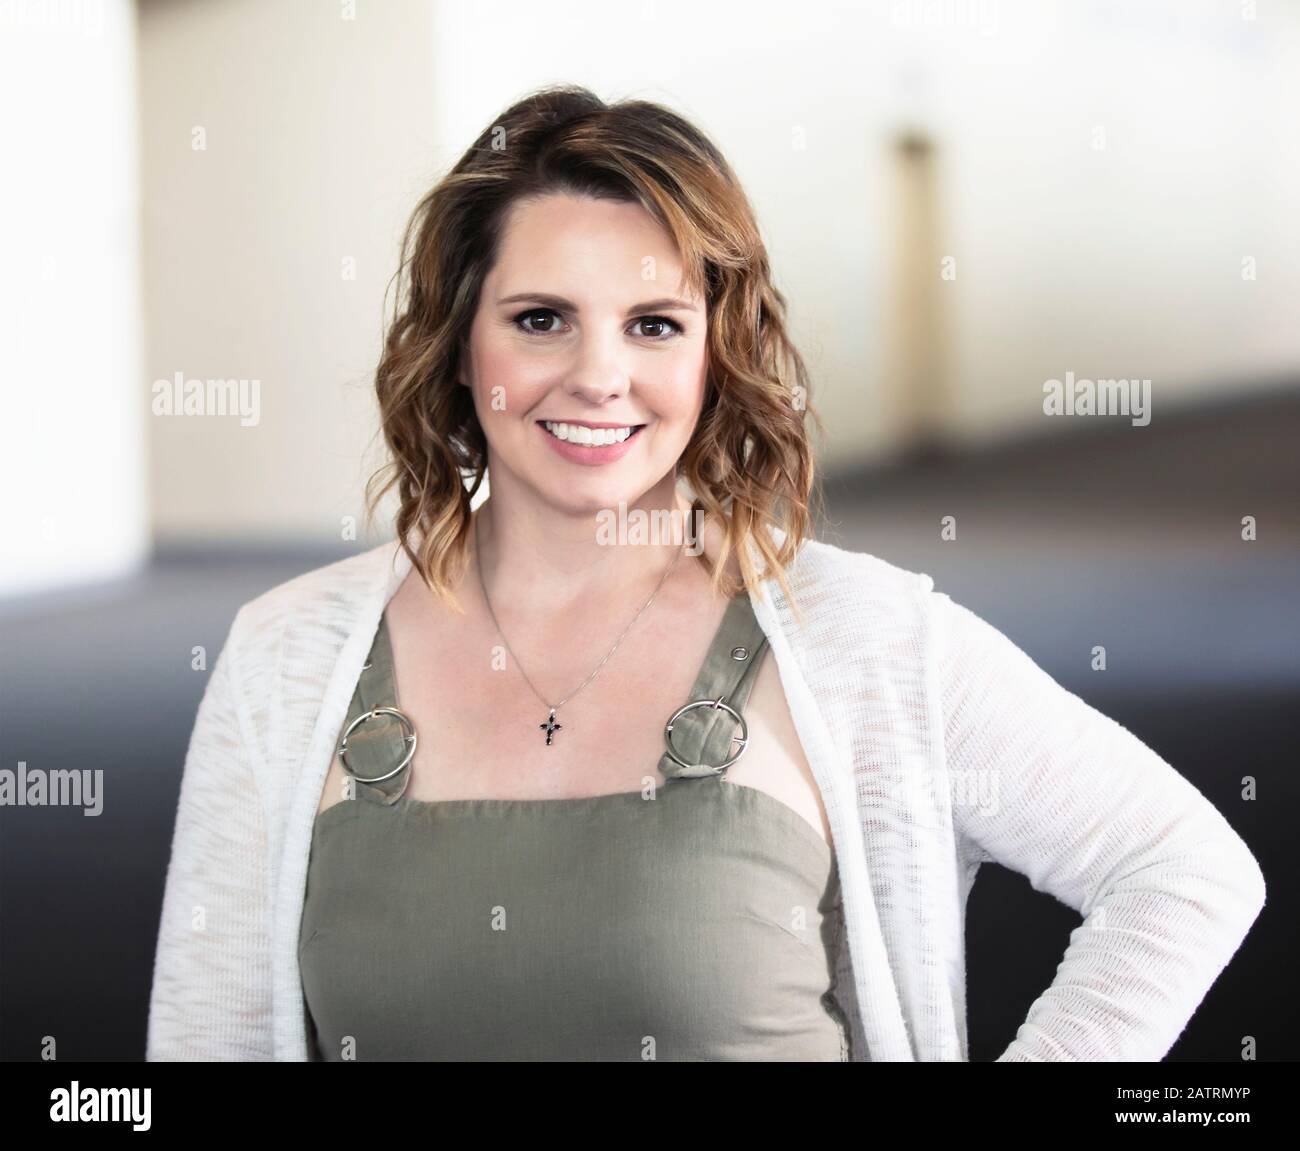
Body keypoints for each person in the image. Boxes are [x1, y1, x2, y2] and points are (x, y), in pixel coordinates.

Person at [146, 85, 1266, 1062]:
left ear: (713, 352)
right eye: (541, 319)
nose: (599, 375)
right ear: (458, 343)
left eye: (653, 323)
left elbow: (1181, 871)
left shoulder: (867, 640)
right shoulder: (285, 657)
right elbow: (207, 1039)